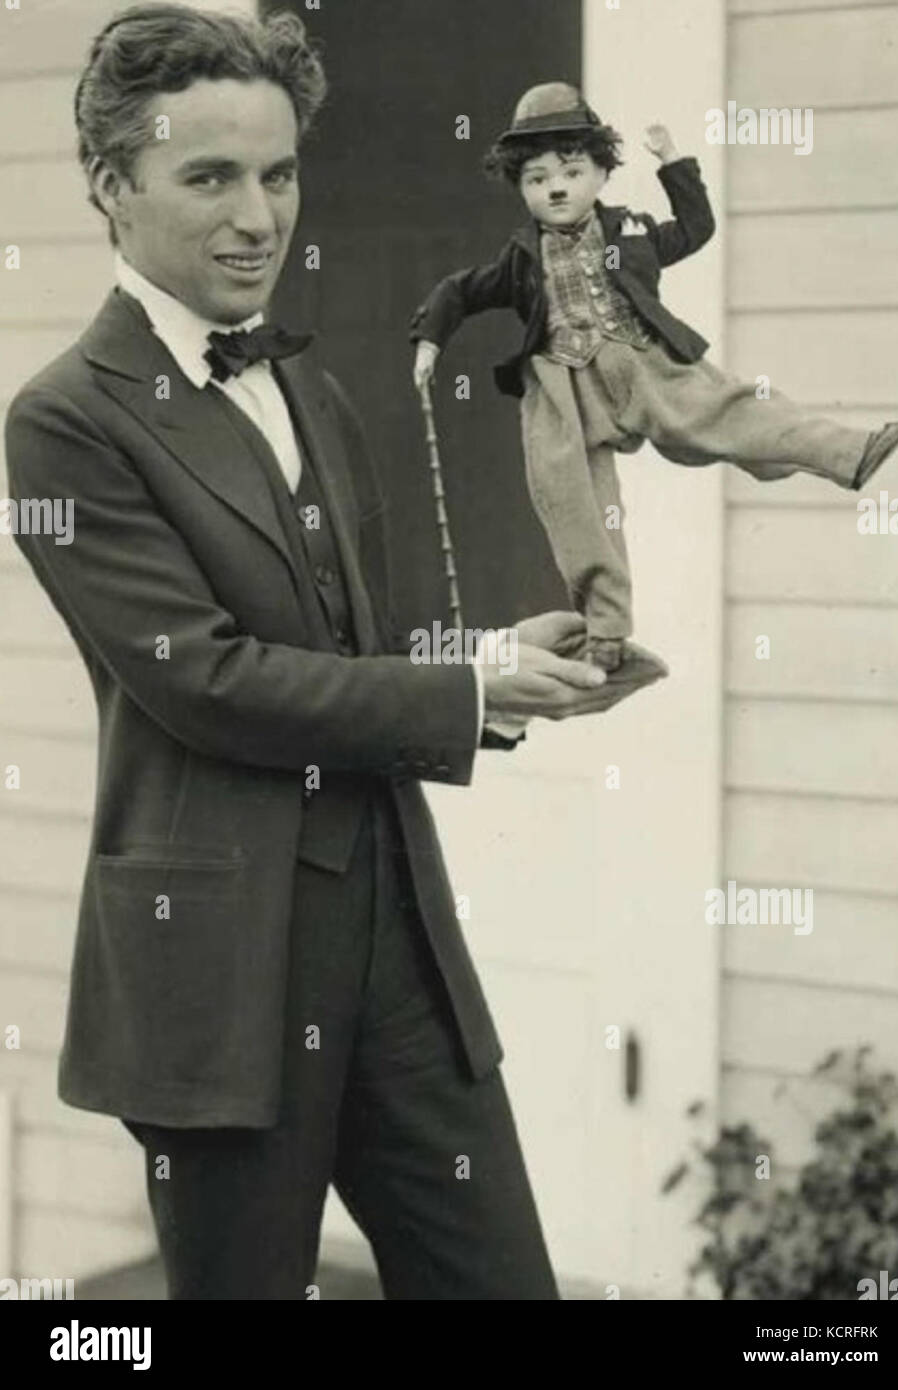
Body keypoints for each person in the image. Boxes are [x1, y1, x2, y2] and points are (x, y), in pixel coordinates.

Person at [5, 8, 643, 1300]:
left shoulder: (316, 391)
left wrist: (484, 652)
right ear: (111, 187)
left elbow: (352, 651)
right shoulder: (60, 428)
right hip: (221, 979)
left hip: (397, 944)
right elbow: (213, 681)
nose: (259, 215)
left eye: (281, 173)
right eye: (210, 176)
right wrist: (463, 692)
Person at [411, 82, 898, 672]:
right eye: (536, 178)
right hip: (562, 388)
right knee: (570, 498)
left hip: (643, 363)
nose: (555, 187)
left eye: (571, 171)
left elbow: (696, 228)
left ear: (602, 173)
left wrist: (674, 163)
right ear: (521, 188)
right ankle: (606, 631)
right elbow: (459, 291)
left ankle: (850, 451)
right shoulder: (520, 258)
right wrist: (429, 340)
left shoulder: (634, 233)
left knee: (735, 413)